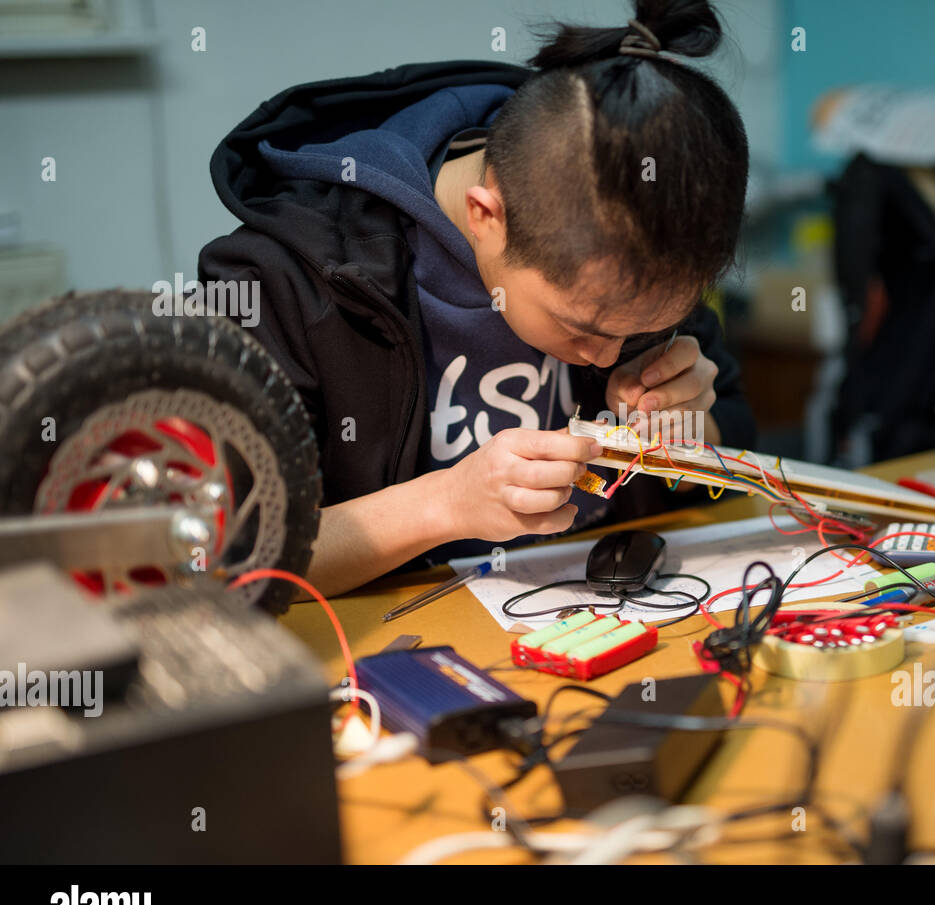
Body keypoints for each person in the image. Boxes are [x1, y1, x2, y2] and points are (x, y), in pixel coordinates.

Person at [199, 0, 754, 596]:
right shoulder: (285, 278)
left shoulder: (641, 242)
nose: (606, 356)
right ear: (486, 215)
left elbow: (731, 456)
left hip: (604, 618)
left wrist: (692, 431)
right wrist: (444, 505)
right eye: (581, 328)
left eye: (641, 328)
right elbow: (231, 556)